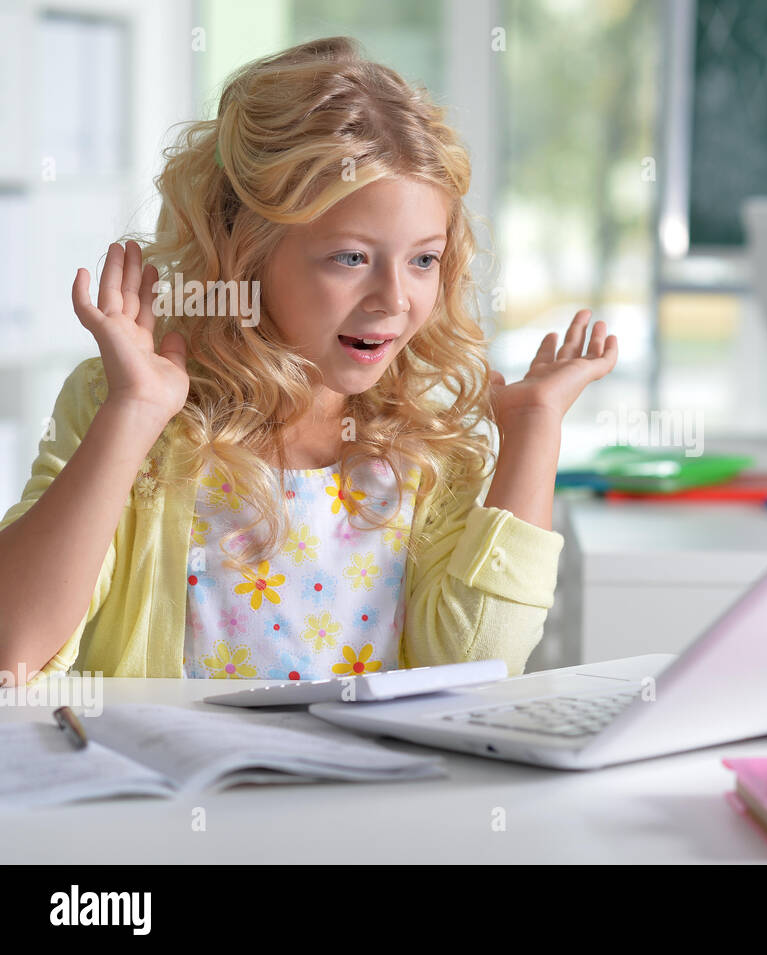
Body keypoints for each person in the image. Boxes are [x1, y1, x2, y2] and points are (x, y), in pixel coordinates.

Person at [0, 37, 617, 684]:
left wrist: (534, 426)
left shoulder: (424, 441)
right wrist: (131, 416)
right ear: (246, 250)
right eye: (351, 257)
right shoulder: (128, 404)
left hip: (361, 789)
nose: (395, 300)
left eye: (423, 259)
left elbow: (473, 663)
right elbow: (14, 647)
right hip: (178, 788)